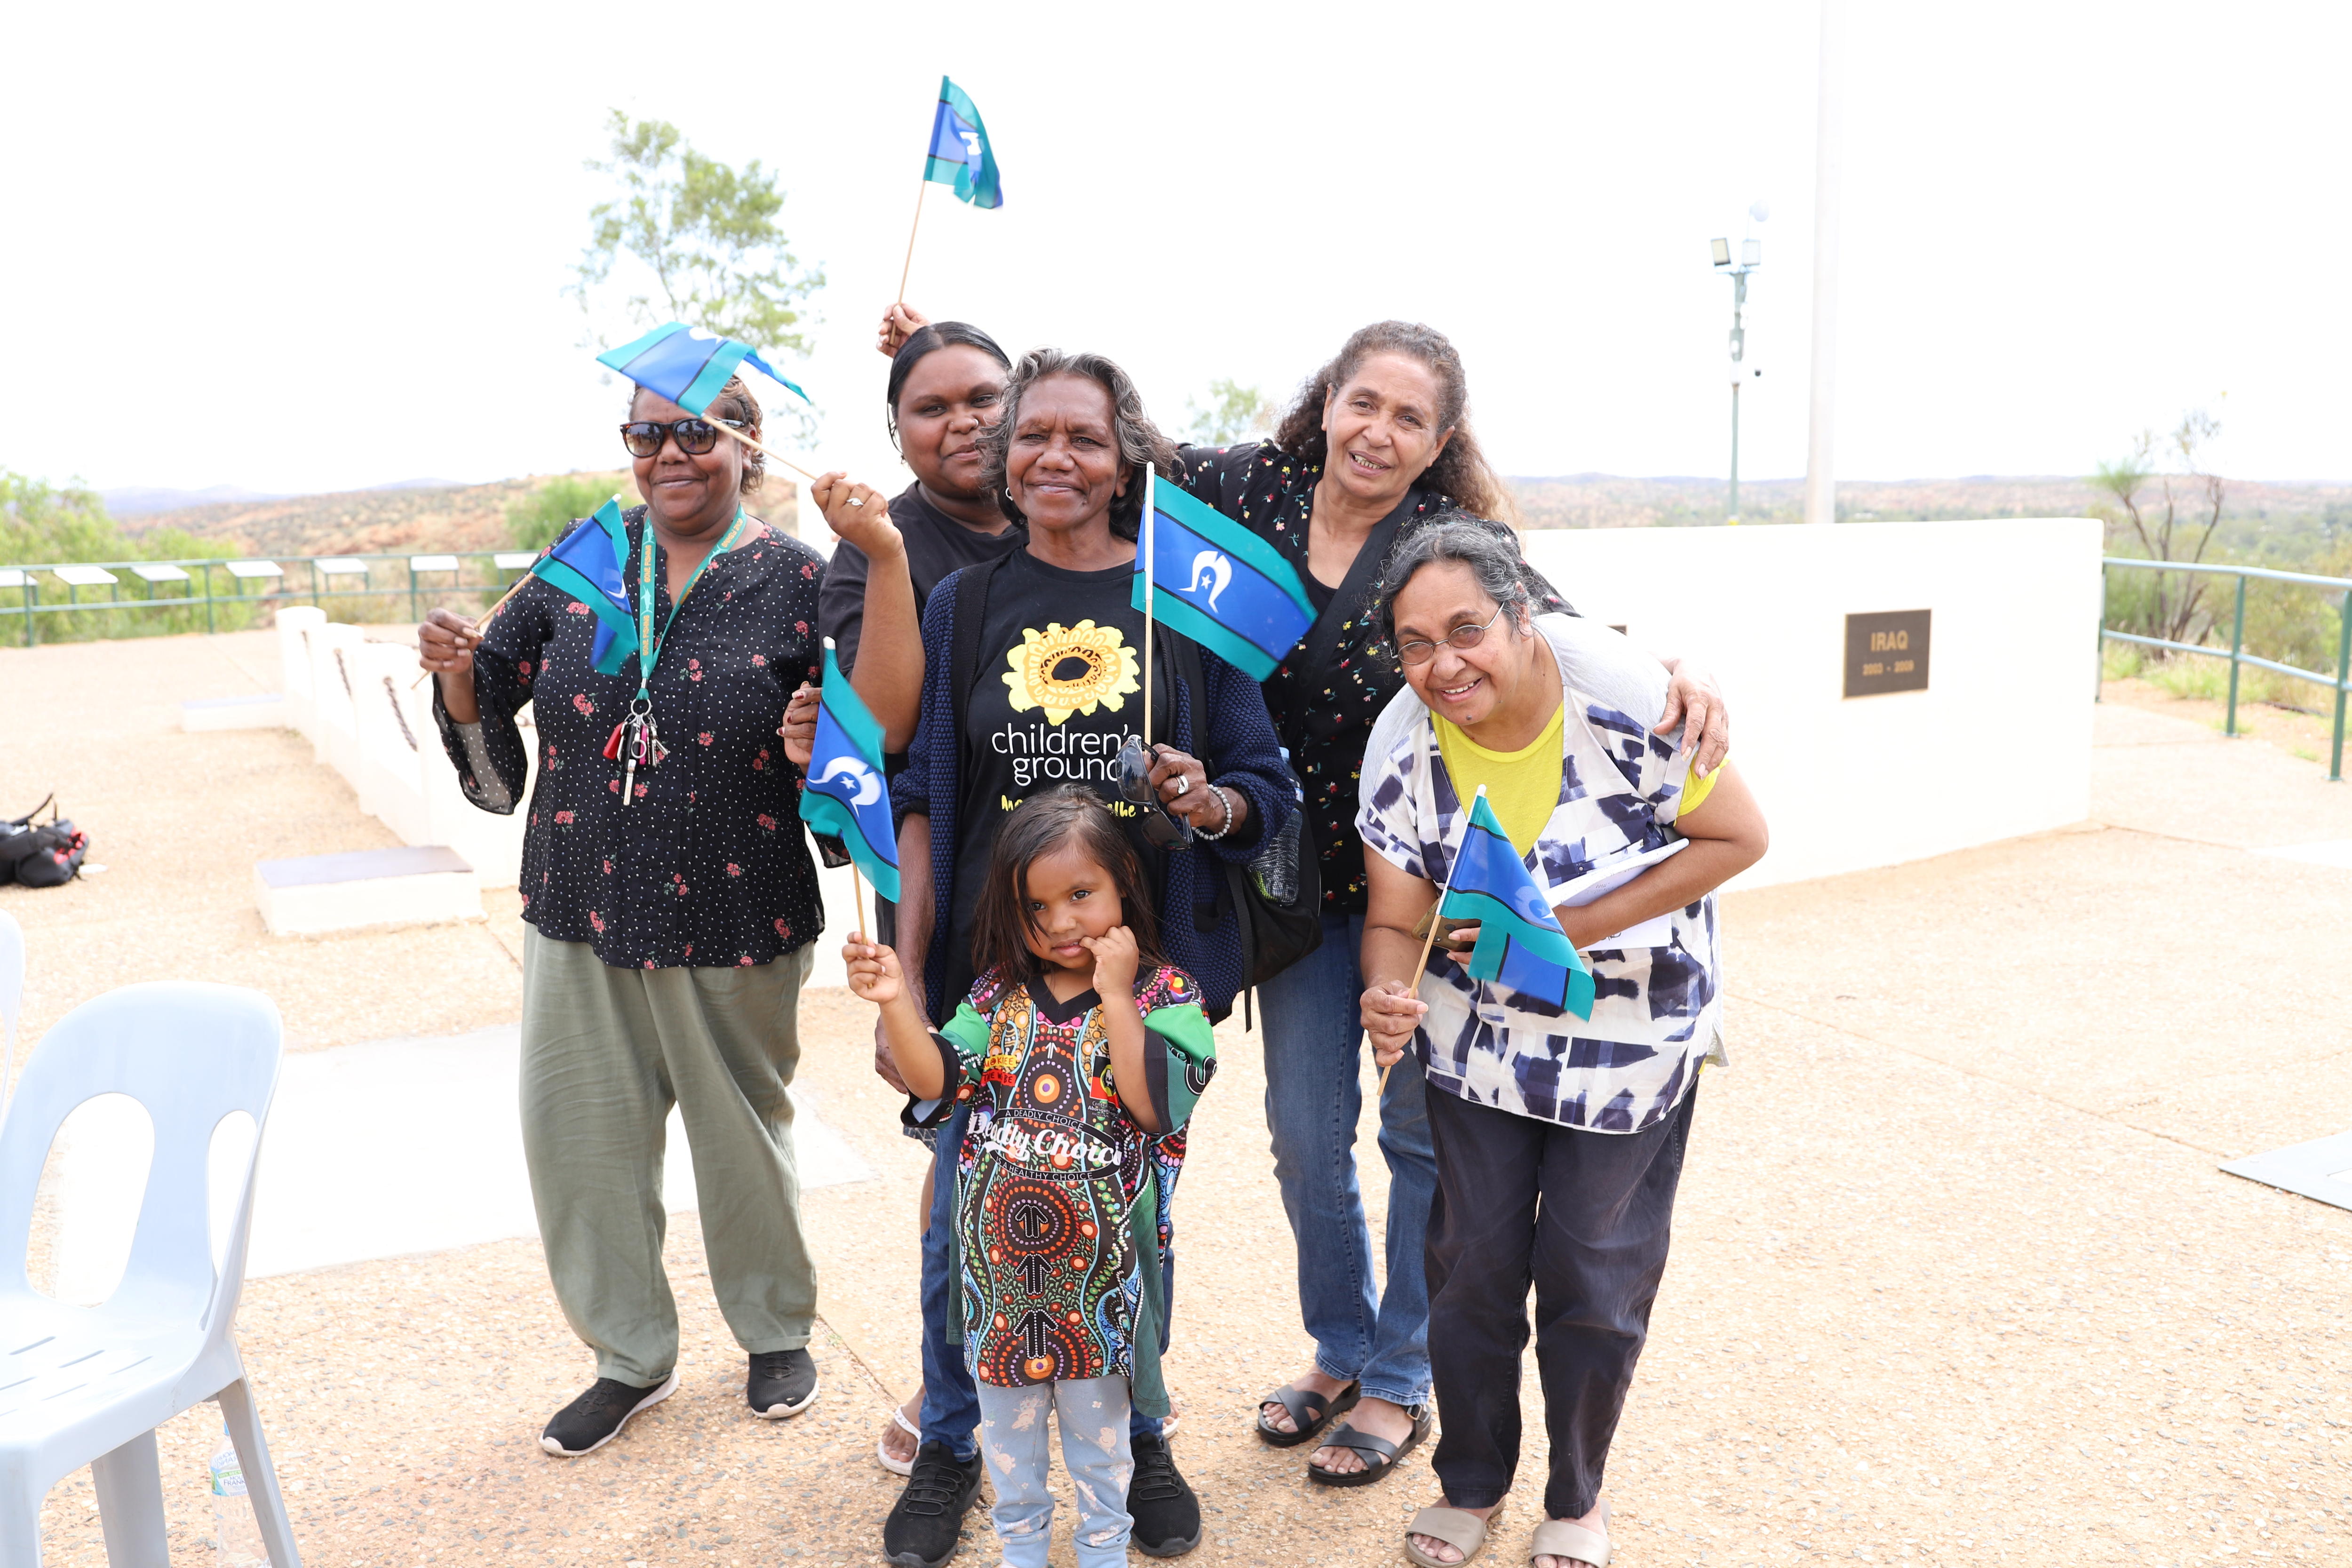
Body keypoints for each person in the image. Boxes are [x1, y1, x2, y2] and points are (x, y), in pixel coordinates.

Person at [1166, 321, 1733, 1486]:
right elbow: (1112, 454)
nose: (1378, 431)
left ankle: (1399, 1373)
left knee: (1419, 1138)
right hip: (1292, 890)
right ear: (1327, 400)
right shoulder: (1244, 491)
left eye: (1409, 417)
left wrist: (1685, 670)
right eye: (1363, 402)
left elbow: (1560, 638)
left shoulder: (1448, 546)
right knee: (1303, 1140)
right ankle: (1338, 1345)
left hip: (1429, 899)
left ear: (1439, 441)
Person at [416, 374, 916, 1457]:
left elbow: (857, 755)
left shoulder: (800, 581)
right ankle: (628, 1354)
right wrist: (457, 676)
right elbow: (491, 716)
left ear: (749, 442)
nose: (669, 452)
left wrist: (814, 744)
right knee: (579, 1140)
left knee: (742, 1137)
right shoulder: (585, 557)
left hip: (733, 905)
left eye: (695, 430)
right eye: (647, 434)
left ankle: (775, 1328)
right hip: (577, 901)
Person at [882, 346, 1297, 1568]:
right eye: (1033, 434)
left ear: (1126, 463)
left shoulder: (1185, 606)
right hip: (996, 990)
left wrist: (1206, 799)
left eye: (1084, 436)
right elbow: (928, 798)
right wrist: (908, 979)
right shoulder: (964, 605)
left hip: (1136, 991)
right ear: (1004, 460)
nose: (1054, 455)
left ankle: (1143, 1433)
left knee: (1133, 1229)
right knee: (962, 1231)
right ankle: (952, 1440)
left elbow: (1263, 790)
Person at [1350, 519, 1768, 1568]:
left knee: (1591, 1272)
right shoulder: (1400, 746)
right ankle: (1471, 1482)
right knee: (1471, 1268)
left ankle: (1577, 1495)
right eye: (1415, 644)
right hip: (1481, 1041)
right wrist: (1387, 992)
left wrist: (1570, 927)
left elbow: (1740, 835)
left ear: (1523, 615)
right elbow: (1396, 918)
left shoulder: (1628, 701)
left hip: (1631, 1036)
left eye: (1467, 630)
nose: (1445, 664)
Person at [846, 786, 1217, 1568]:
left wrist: (1117, 994)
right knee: (1013, 1458)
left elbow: (1153, 1105)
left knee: (1103, 1450)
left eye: (1081, 894)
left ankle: (1103, 1549)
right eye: (1035, 906)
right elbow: (938, 1077)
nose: (1059, 922)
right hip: (1002, 1289)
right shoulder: (995, 996)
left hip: (1102, 1291)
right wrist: (896, 1002)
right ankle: (1022, 1550)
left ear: (1124, 881)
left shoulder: (1170, 996)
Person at [791, 309, 1022, 1476]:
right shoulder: (878, 543)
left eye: (985, 397)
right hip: (949, 881)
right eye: (930, 406)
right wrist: (883, 556)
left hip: (1095, 884)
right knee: (965, 1136)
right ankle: (956, 1376)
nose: (963, 421)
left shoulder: (1083, 501)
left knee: (1115, 1129)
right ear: (897, 432)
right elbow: (881, 726)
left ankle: (1111, 1361)